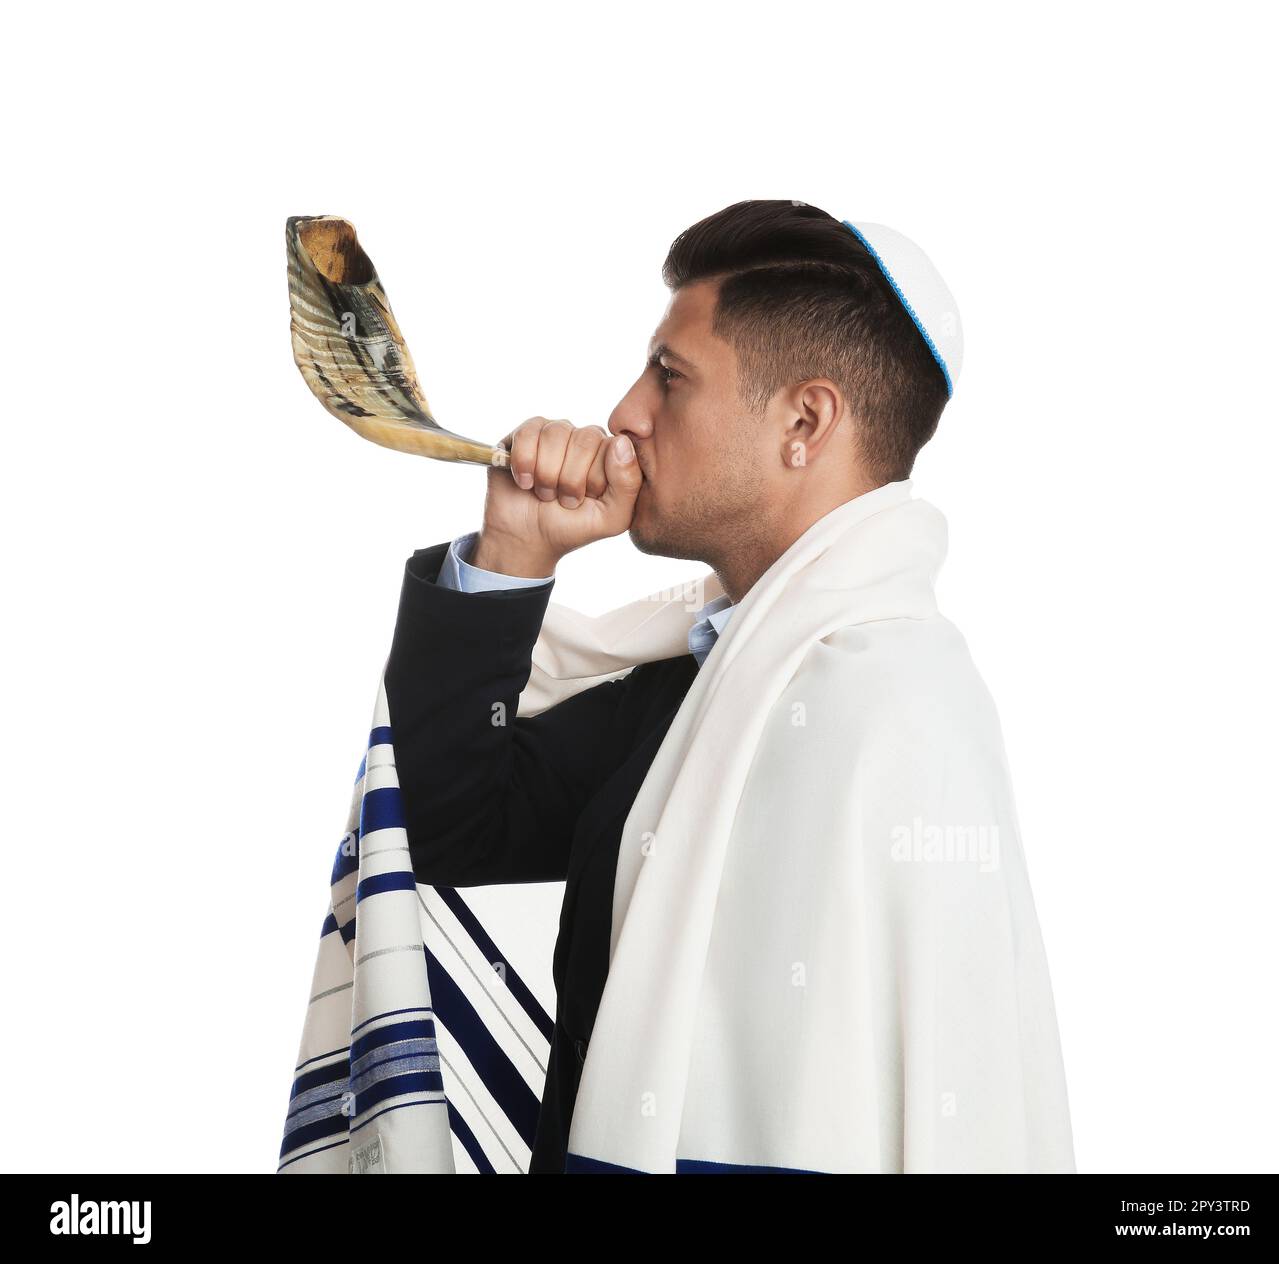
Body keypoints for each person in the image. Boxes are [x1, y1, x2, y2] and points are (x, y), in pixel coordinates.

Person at [383, 199, 1072, 1173]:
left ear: (804, 420)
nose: (624, 414)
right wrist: (511, 555)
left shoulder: (901, 717)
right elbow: (440, 823)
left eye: (670, 377)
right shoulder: (697, 681)